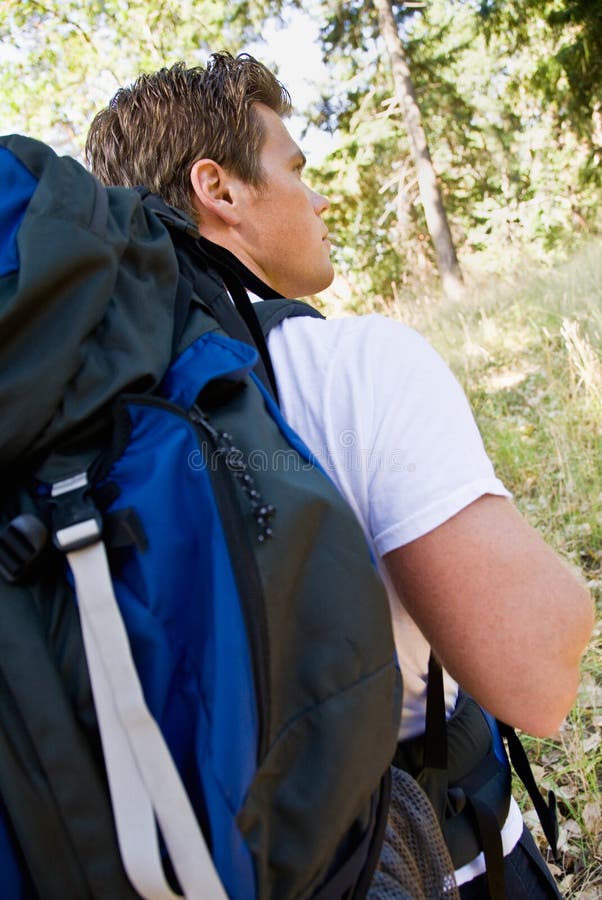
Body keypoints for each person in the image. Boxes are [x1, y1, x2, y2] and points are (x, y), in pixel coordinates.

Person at [85, 52, 594, 898]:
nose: (320, 198)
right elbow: (536, 680)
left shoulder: (94, 425)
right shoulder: (356, 367)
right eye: (295, 167)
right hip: (429, 864)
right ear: (220, 189)